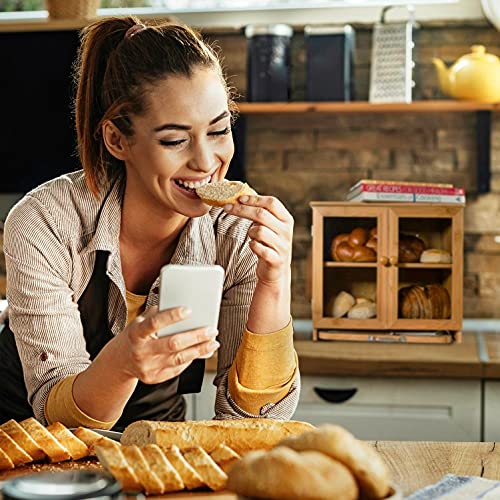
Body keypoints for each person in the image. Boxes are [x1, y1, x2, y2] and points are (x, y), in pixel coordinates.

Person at [0, 16, 299, 431]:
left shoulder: (236, 235)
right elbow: (59, 418)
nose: (206, 162)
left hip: (156, 443)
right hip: (26, 452)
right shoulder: (45, 222)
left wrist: (275, 281)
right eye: (175, 140)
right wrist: (122, 364)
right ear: (117, 140)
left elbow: (255, 424)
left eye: (218, 130)